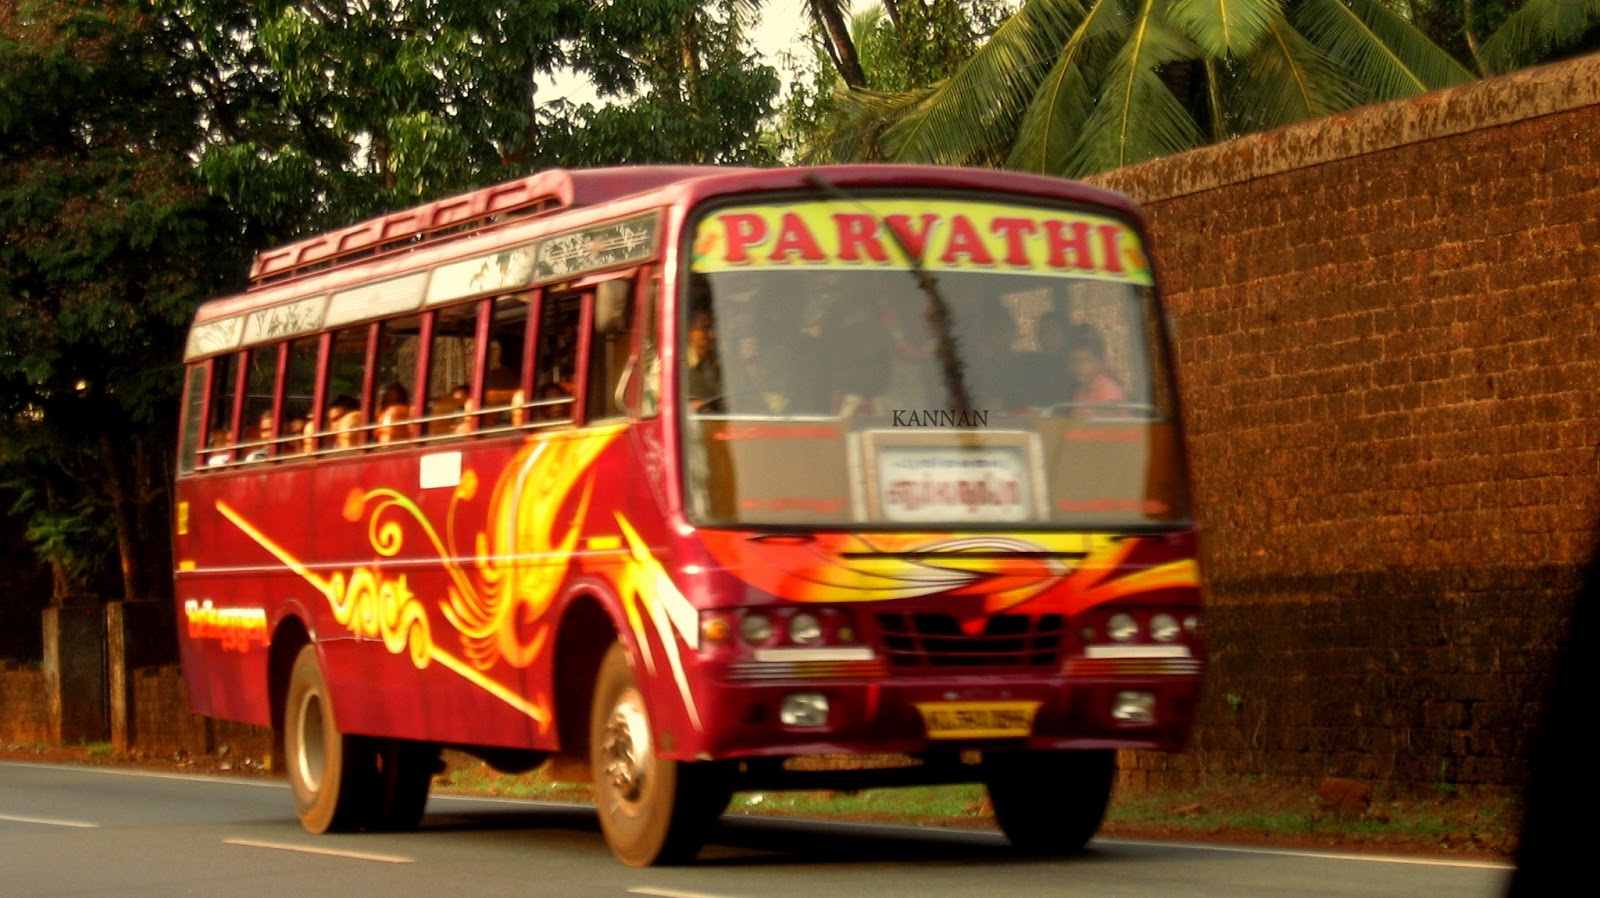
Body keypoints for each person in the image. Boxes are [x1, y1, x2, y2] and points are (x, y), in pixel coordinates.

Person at [1067, 326, 1126, 407]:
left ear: (1100, 363)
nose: (1079, 367)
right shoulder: (1079, 391)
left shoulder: (1108, 390)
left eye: (1086, 361)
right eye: (1074, 361)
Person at [685, 308, 723, 411]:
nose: (712, 335)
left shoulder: (722, 364)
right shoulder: (676, 367)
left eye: (714, 328)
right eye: (704, 327)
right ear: (689, 331)